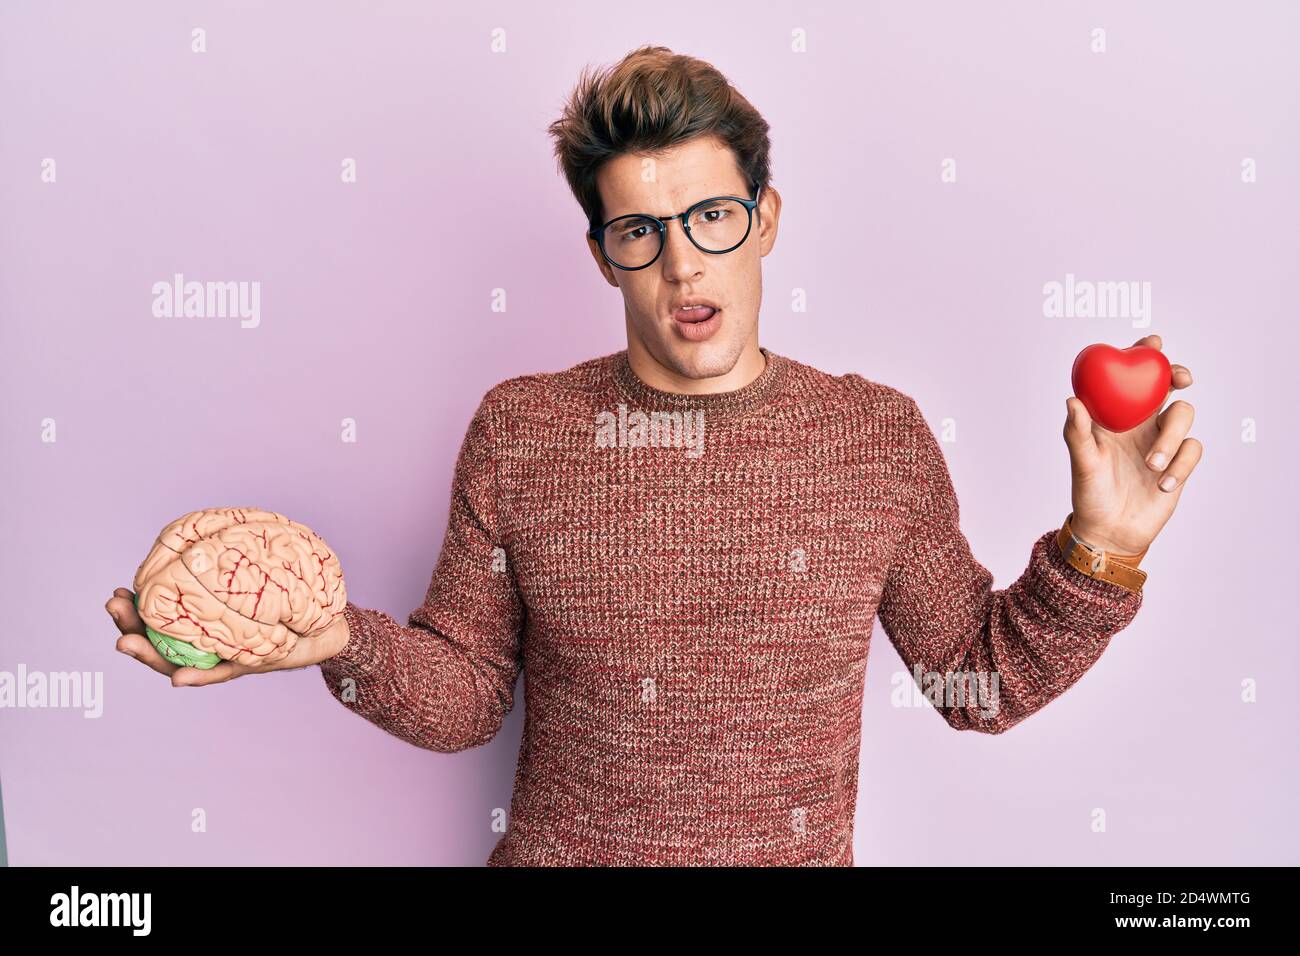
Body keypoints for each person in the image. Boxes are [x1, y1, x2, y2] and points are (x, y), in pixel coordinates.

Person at [107, 45, 1201, 866]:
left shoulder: (875, 438)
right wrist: (333, 642)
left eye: (713, 216)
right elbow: (470, 696)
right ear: (603, 253)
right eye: (642, 232)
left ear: (765, 219)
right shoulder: (521, 429)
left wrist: (1096, 551)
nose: (684, 266)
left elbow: (977, 685)